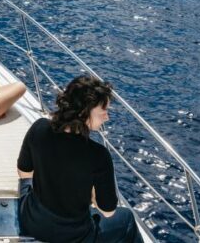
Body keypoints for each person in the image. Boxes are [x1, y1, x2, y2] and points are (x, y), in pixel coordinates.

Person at [16, 76, 142, 243]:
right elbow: (108, 211)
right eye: (103, 112)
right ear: (84, 113)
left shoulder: (39, 127)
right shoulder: (98, 155)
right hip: (74, 236)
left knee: (27, 186)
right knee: (126, 218)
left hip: (32, 222)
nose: (107, 118)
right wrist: (88, 192)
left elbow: (24, 172)